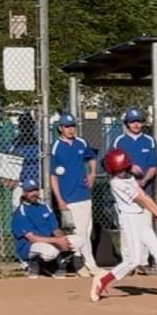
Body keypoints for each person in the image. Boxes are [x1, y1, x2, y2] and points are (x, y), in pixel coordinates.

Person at [90, 149, 157, 302]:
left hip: (140, 216)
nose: (121, 173)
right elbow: (140, 199)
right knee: (134, 259)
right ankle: (103, 281)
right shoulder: (116, 183)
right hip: (129, 219)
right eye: (117, 170)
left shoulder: (130, 177)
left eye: (123, 169)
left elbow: (145, 196)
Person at [49, 112, 98, 278]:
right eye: (67, 127)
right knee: (79, 232)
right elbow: (53, 176)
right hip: (69, 196)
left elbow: (92, 158)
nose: (70, 129)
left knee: (87, 230)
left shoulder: (81, 143)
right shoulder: (57, 147)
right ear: (60, 128)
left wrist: (92, 174)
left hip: (84, 193)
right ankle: (87, 264)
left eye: (72, 126)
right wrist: (60, 200)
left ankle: (81, 262)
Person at [112, 107, 157, 273]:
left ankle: (143, 262)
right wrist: (129, 168)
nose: (136, 124)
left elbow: (153, 166)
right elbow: (110, 163)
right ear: (127, 124)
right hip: (125, 192)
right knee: (127, 228)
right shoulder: (119, 141)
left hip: (144, 189)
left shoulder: (149, 141)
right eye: (132, 122)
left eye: (138, 121)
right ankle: (128, 263)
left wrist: (144, 180)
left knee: (145, 226)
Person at [10, 178, 78, 279]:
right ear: (24, 193)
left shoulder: (44, 206)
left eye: (35, 190)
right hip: (29, 247)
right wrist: (57, 241)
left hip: (49, 241)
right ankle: (36, 264)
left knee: (78, 240)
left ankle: (59, 262)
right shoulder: (20, 212)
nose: (34, 193)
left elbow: (55, 229)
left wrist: (63, 240)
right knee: (50, 251)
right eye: (30, 191)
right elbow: (32, 238)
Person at [6, 112, 42, 210]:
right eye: (23, 125)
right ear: (20, 127)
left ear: (33, 126)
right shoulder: (14, 144)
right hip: (21, 184)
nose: (27, 128)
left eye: (29, 125)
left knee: (39, 211)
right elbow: (4, 167)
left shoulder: (40, 144)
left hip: (38, 184)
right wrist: (10, 181)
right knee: (19, 211)